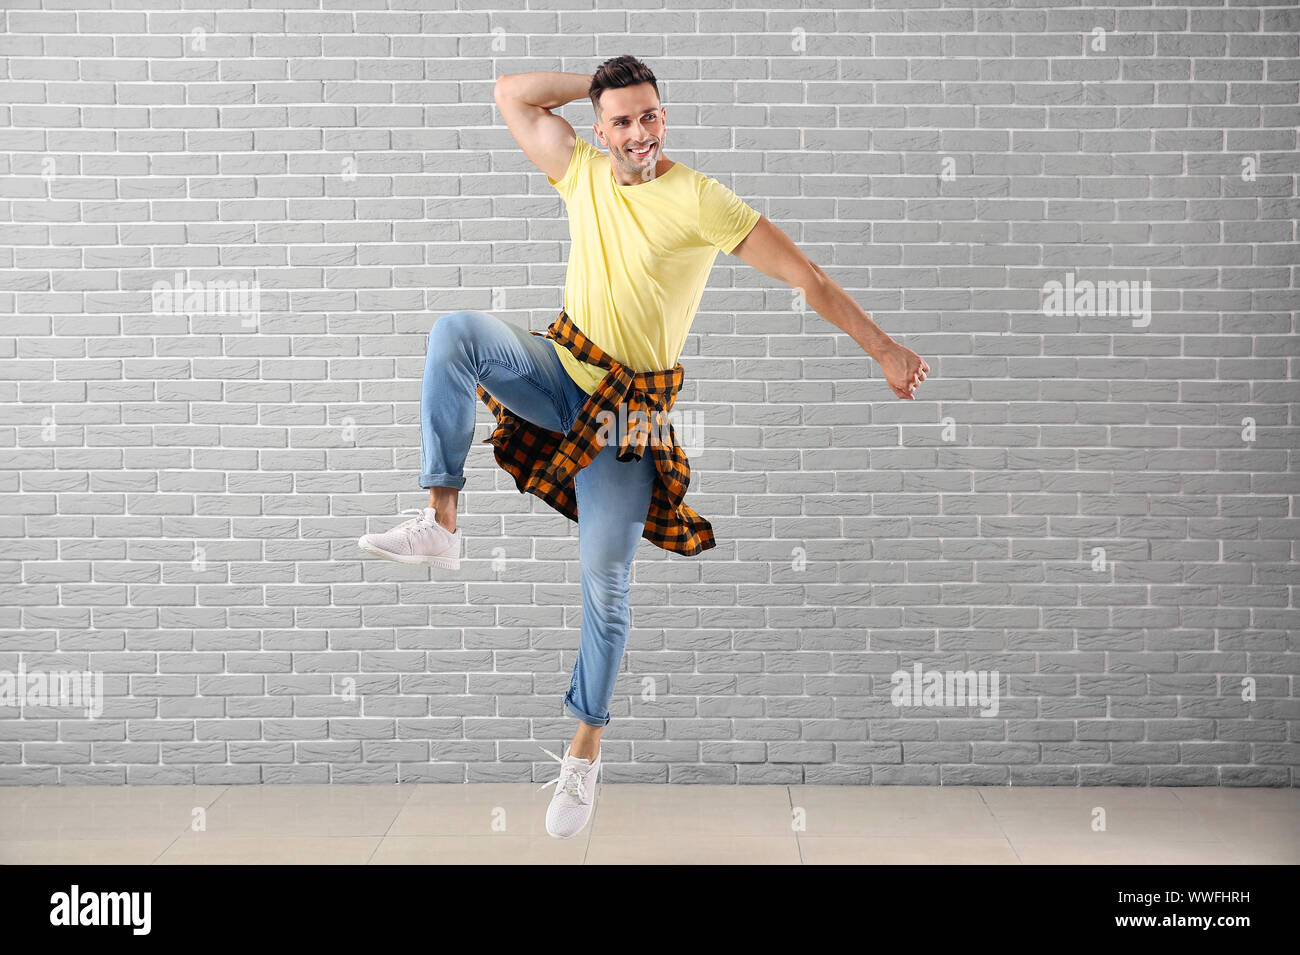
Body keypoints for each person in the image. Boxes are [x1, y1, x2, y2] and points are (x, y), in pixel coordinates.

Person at [358, 55, 929, 839]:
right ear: (600, 127)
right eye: (621, 120)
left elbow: (809, 277)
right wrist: (591, 81)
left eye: (649, 116)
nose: (638, 133)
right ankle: (441, 523)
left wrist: (883, 348)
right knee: (456, 333)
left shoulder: (699, 198)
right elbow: (510, 95)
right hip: (559, 368)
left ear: (666, 118)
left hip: (630, 418)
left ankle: (584, 752)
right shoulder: (581, 170)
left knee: (607, 584)